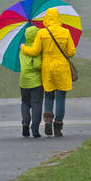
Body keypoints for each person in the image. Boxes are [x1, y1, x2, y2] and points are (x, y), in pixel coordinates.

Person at [19, 7, 74, 137]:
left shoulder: (42, 33)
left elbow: (34, 52)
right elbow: (71, 52)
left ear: (47, 18)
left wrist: (23, 48)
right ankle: (58, 125)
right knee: (61, 97)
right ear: (58, 17)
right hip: (61, 67)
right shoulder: (65, 32)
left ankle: (48, 120)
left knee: (49, 95)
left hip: (47, 67)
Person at [18, 23, 43, 137]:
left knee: (25, 103)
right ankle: (35, 128)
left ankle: (25, 123)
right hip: (36, 81)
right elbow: (37, 65)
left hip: (23, 81)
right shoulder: (36, 50)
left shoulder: (22, 50)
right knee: (36, 104)